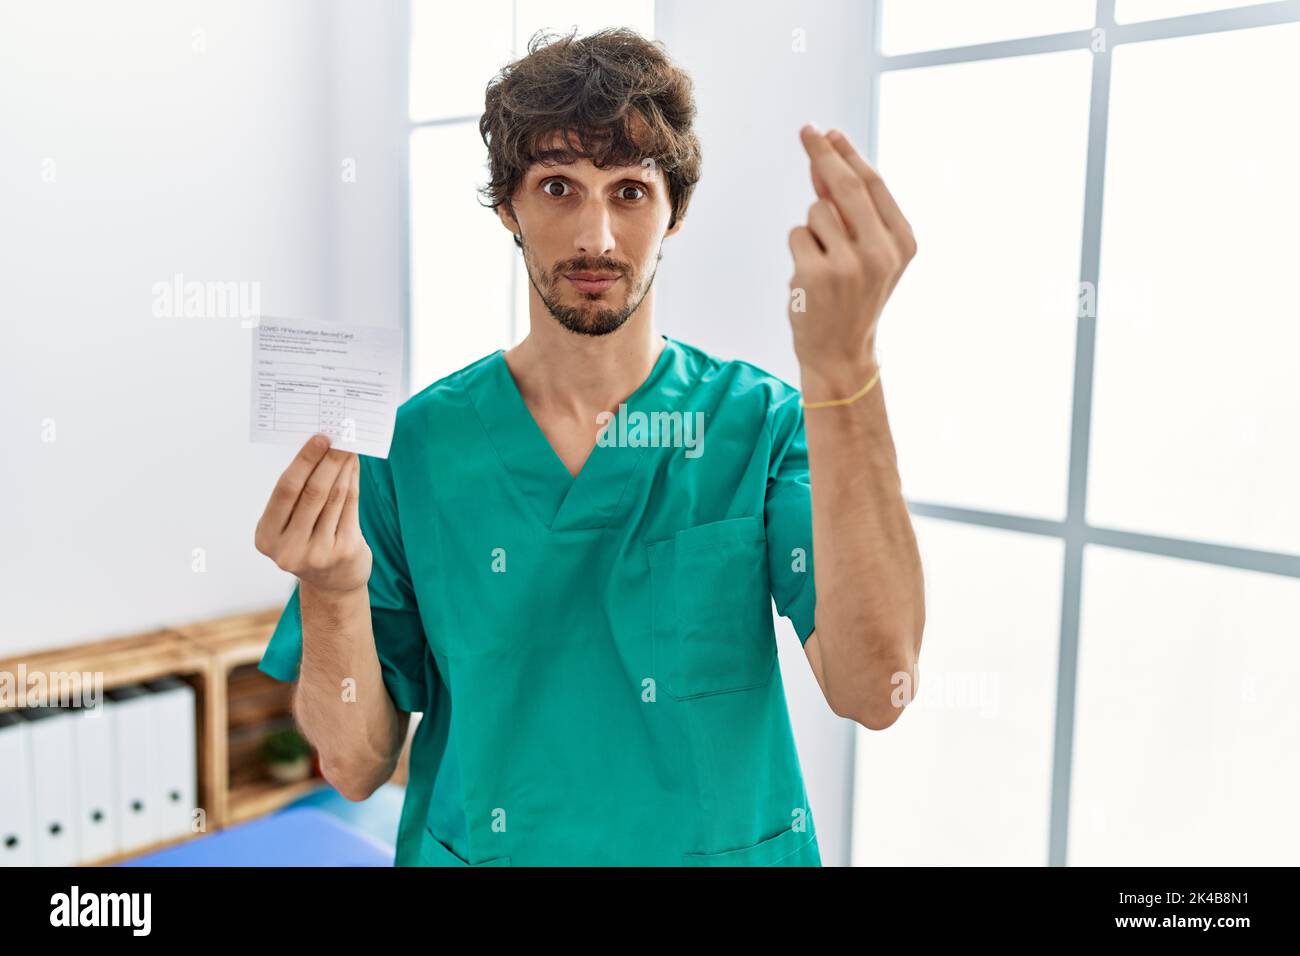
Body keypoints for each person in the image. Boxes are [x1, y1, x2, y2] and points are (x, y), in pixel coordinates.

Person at [254, 27, 924, 867]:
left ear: (675, 209)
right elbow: (354, 767)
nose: (597, 238)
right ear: (509, 207)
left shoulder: (764, 424)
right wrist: (330, 584)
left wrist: (845, 365)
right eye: (559, 186)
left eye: (631, 192)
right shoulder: (412, 447)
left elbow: (875, 691)